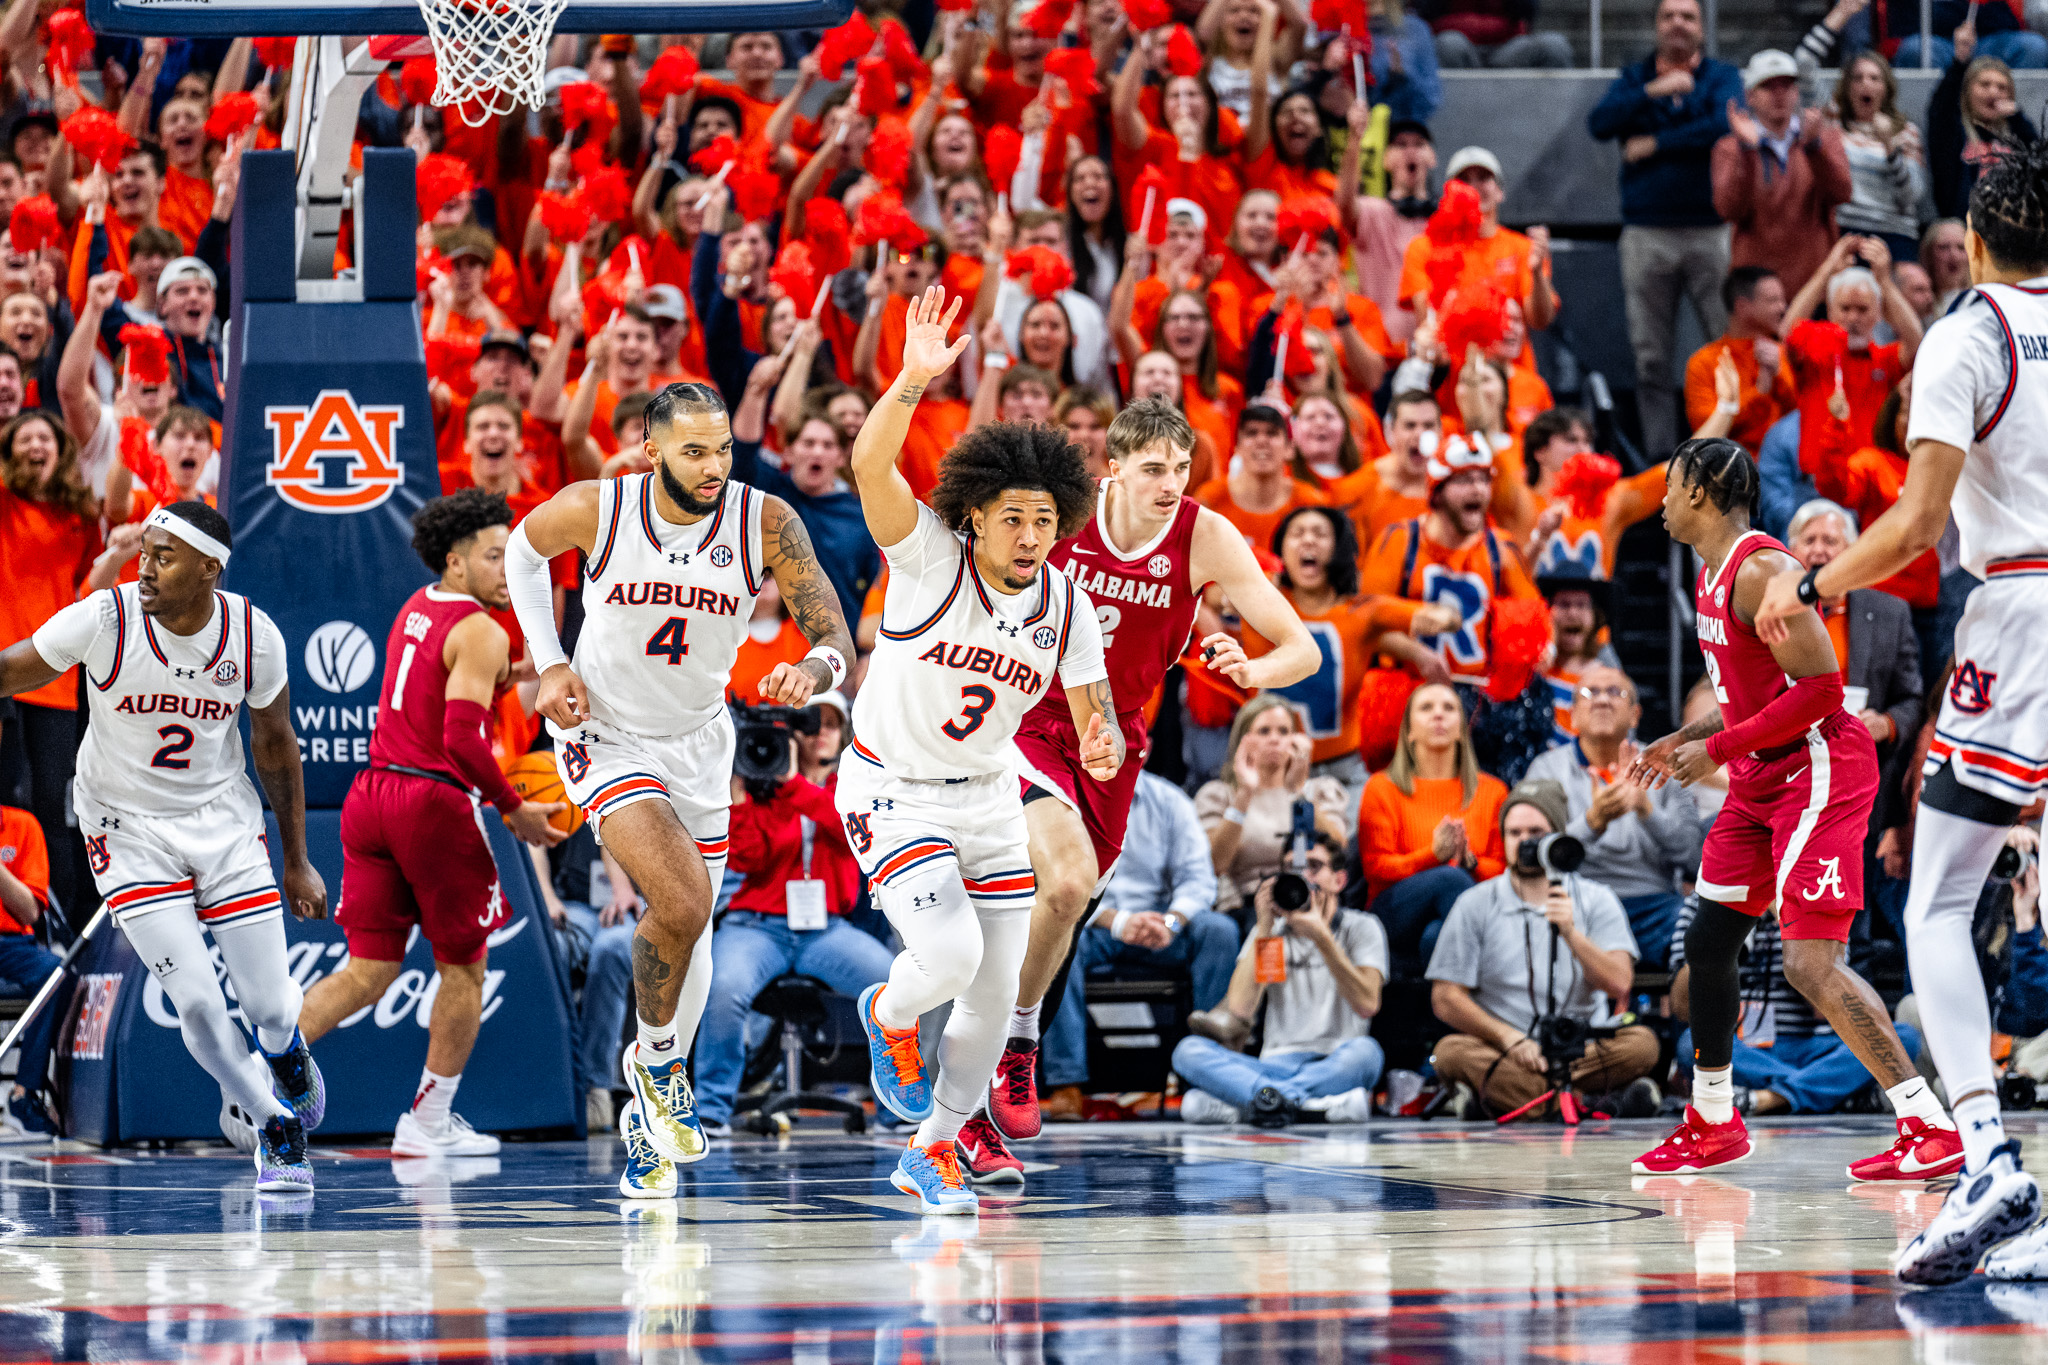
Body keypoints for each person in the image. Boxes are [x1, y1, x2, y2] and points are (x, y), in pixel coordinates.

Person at [1750, 142, 2048, 1283]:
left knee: (1934, 899)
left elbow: (1919, 525)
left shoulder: (1965, 335)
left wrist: (1811, 581)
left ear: (1970, 241)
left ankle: (1982, 1157)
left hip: (2020, 611)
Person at [505, 381, 856, 1200]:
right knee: (684, 895)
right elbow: (523, 552)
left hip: (701, 740)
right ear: (651, 447)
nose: (712, 465)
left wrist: (817, 668)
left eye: (723, 447)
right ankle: (659, 1070)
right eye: (693, 450)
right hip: (604, 732)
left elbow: (835, 631)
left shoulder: (764, 520)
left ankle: (647, 1106)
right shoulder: (601, 506)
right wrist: (550, 659)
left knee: (691, 928)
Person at [841, 287, 1119, 1217]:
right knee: (951, 956)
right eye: (1014, 519)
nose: (1032, 536)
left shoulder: (1066, 603)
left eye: (1046, 520)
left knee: (996, 991)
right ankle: (886, 1011)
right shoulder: (926, 557)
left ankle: (930, 1149)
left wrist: (1105, 737)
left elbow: (1092, 707)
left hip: (990, 795)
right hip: (895, 788)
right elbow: (869, 463)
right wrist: (915, 382)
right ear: (975, 517)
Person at [988, 398, 1317, 1160]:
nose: (1171, 483)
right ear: (1113, 469)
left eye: (1181, 468)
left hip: (1114, 737)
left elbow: (1302, 650)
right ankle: (1016, 1046)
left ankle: (989, 1071)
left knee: (1066, 908)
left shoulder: (1204, 534)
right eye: (1153, 470)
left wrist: (1252, 665)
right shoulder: (1063, 517)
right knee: (1062, 885)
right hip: (1029, 716)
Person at [1628, 438, 1956, 1188]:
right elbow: (1754, 698)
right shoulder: (1709, 570)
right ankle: (1712, 1120)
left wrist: (1719, 749)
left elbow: (1822, 691)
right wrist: (1688, 735)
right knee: (1710, 942)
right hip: (1759, 774)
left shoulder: (1764, 571)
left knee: (1810, 962)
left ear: (1704, 494)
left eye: (1673, 488)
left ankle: (1927, 1122)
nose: (1665, 502)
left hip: (1819, 770)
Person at [0, 503, 326, 1191]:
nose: (144, 566)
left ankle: (282, 1049)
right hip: (126, 828)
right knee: (200, 1002)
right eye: (144, 551)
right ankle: (272, 1122)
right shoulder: (105, 618)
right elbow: (13, 668)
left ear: (209, 569)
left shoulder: (253, 635)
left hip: (222, 821)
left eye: (164, 556)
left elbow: (274, 744)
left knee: (269, 1003)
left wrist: (296, 857)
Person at [296, 491, 567, 1158]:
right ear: (455, 561)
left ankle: (262, 1072)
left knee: (369, 969)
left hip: (372, 796)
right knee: (464, 971)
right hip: (432, 805)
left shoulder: (418, 606)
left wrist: (521, 671)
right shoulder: (481, 629)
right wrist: (511, 807)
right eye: (494, 556)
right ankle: (427, 1121)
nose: (509, 569)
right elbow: (463, 739)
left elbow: (450, 682)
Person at [696, 691, 893, 1139]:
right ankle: (710, 1110)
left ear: (844, 735)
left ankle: (897, 1109)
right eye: (812, 724)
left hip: (827, 930)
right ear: (794, 735)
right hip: (757, 926)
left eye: (832, 724)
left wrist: (791, 785)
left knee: (897, 988)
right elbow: (746, 859)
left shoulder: (855, 784)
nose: (822, 733)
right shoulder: (764, 783)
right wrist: (741, 797)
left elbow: (848, 834)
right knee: (723, 988)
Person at [1427, 780, 1663, 1120]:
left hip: (1581, 1048)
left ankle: (1513, 1100)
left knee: (1643, 1044)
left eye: (1536, 832)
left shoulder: (1596, 898)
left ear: (1558, 837)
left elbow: (1620, 983)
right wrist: (1508, 1038)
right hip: (1508, 1048)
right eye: (1514, 833)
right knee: (1450, 1053)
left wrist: (1571, 933)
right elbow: (1445, 997)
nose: (1524, 842)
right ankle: (1587, 1103)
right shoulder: (1474, 903)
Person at [1586, 0, 1744, 459]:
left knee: (1724, 352)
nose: (1678, 23)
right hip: (1646, 232)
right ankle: (1662, 469)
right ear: (1657, 25)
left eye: (1688, 16)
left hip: (1710, 231)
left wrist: (1655, 142)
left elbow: (1722, 126)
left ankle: (1723, 457)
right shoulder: (1636, 78)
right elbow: (1600, 123)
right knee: (1651, 360)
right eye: (1668, 15)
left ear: (1701, 28)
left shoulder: (1720, 76)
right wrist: (1653, 91)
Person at [1038, 772, 1236, 1121]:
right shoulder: (1062, 799)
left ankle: (1209, 1075)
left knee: (1219, 931)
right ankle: (1065, 1083)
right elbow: (1052, 881)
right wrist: (1116, 921)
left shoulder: (1170, 800)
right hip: (1095, 923)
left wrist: (1173, 922)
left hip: (1162, 924)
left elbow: (1198, 878)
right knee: (1057, 934)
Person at [1170, 831, 1385, 1127]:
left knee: (1368, 1053)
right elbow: (1241, 1009)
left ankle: (1255, 1103)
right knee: (1188, 1052)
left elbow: (1367, 1004)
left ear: (1339, 880)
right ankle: (1310, 1107)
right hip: (1271, 1064)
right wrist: (1264, 928)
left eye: (1314, 867)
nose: (1303, 877)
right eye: (1292, 870)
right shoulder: (1272, 933)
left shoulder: (1361, 927)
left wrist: (1322, 937)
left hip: (1335, 1060)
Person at [1667, 894, 1927, 1116]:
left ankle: (1767, 1099)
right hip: (1740, 1047)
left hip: (1811, 1046)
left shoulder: (1816, 898)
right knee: (1692, 1043)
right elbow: (1681, 1005)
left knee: (1904, 1037)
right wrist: (1731, 927)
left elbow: (1824, 1011)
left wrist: (1790, 925)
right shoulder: (1703, 901)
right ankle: (1830, 1092)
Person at [1525, 665, 1702, 968]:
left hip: (1655, 906)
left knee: (1701, 936)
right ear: (1573, 715)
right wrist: (1593, 821)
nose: (1602, 700)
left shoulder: (1664, 767)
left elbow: (1693, 857)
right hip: (1579, 901)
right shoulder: (1546, 770)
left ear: (1635, 714)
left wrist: (1646, 810)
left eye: (1614, 692)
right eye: (1590, 692)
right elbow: (1532, 855)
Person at [1357, 682, 1509, 966]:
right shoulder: (1382, 787)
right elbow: (1377, 869)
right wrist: (1433, 857)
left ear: (1463, 730)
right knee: (1449, 878)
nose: (1438, 714)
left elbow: (1504, 869)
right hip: (1395, 910)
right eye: (1426, 708)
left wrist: (1470, 864)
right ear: (1409, 731)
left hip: (1467, 905)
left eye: (1449, 708)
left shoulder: (1493, 792)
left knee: (1436, 936)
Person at [1711, 51, 1852, 296]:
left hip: (1815, 283)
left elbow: (1841, 193)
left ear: (1797, 93)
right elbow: (1729, 210)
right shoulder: (1730, 147)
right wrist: (1747, 152)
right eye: (1768, 86)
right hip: (1756, 289)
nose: (1779, 94)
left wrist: (1814, 148)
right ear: (1750, 96)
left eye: (1786, 86)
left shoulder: (1821, 138)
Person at [1195, 696, 1352, 918]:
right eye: (1264, 731)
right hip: (1246, 907)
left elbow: (1338, 852)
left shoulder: (1318, 791)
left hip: (1310, 903)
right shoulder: (1219, 795)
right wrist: (1244, 795)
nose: (1275, 739)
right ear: (1243, 739)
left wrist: (1299, 792)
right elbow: (1214, 865)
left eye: (1284, 731)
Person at [1683, 267, 1792, 459]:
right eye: (1772, 301)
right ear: (1742, 306)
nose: (1782, 308)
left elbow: (1808, 421)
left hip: (1787, 468)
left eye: (1782, 300)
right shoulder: (1704, 362)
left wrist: (1780, 376)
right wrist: (1759, 392)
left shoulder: (1785, 354)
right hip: (1729, 470)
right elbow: (1705, 431)